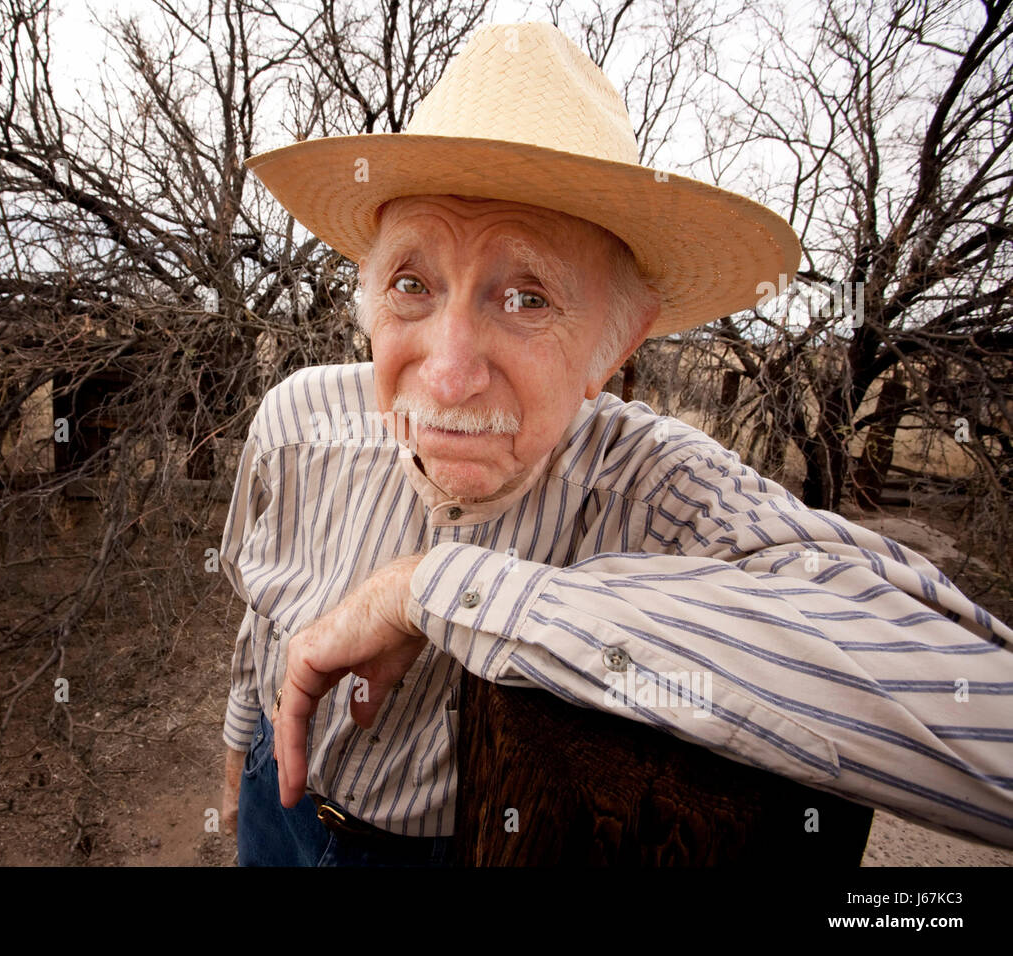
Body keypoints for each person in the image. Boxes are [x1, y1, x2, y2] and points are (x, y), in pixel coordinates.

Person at [216, 21, 1013, 865]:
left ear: (617, 342)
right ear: (370, 301)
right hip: (281, 795)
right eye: (411, 284)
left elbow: (983, 708)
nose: (447, 376)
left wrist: (431, 588)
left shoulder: (657, 485)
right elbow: (259, 618)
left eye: (525, 297)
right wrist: (237, 764)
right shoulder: (296, 422)